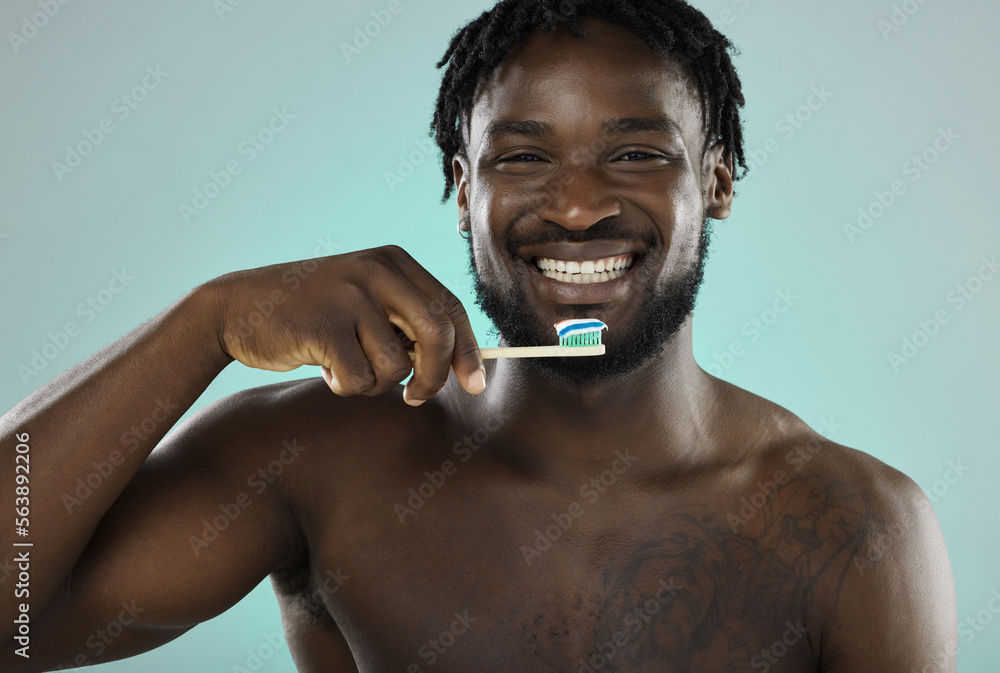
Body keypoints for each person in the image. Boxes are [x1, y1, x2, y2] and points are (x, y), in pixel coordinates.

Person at [1, 1, 957, 671]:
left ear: (716, 181)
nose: (578, 204)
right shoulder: (316, 455)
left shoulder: (856, 526)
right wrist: (201, 322)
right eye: (524, 155)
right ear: (464, 188)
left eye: (636, 152)